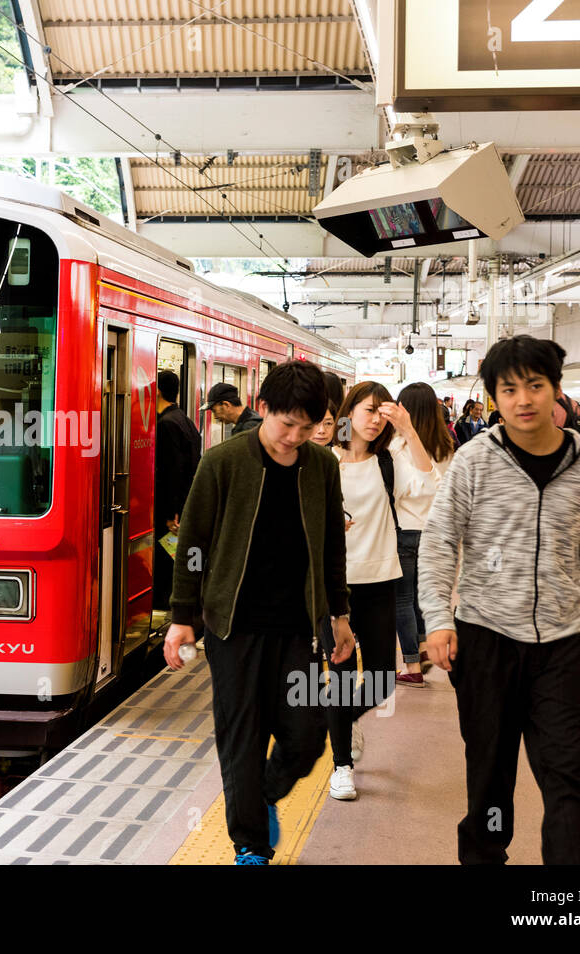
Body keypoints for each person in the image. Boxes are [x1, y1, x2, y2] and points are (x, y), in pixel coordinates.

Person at [419, 335, 580, 865]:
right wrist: (436, 620)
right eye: (508, 389)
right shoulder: (473, 461)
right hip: (485, 638)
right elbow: (440, 541)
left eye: (534, 386)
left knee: (570, 774)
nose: (523, 400)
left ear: (555, 391)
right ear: (494, 396)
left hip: (561, 644)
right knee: (490, 774)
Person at [164, 361, 355, 864]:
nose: (294, 437)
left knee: (308, 734)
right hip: (234, 628)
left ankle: (264, 794)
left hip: (301, 629)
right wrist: (183, 616)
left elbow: (332, 545)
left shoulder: (323, 467)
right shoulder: (223, 462)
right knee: (242, 738)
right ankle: (250, 844)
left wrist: (340, 614)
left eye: (307, 428)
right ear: (264, 409)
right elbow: (193, 544)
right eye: (286, 424)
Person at [326, 380, 438, 800]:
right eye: (368, 410)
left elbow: (428, 488)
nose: (375, 420)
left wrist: (408, 430)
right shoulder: (323, 460)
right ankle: (341, 766)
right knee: (340, 675)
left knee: (380, 681)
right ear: (349, 411)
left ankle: (338, 720)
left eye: (382, 413)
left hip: (381, 579)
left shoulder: (388, 460)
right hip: (336, 584)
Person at [392, 383, 454, 687]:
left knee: (401, 599)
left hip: (405, 529)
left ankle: (412, 665)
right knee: (421, 597)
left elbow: (401, 490)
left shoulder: (399, 446)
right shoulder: (446, 444)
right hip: (436, 533)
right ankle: (426, 648)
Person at [153, 370, 201, 609]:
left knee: (165, 562)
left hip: (170, 508)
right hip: (183, 503)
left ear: (157, 391)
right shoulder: (184, 419)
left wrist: (172, 512)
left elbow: (172, 471)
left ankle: (165, 604)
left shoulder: (166, 425)